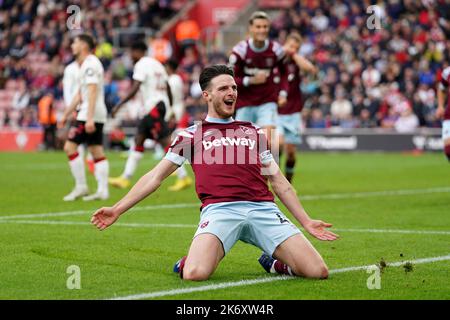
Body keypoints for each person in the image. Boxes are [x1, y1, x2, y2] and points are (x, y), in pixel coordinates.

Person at [91, 65, 338, 281]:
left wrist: (306, 221)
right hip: (220, 211)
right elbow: (155, 177)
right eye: (223, 89)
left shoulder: (254, 131)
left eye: (233, 87)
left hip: (264, 210)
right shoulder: (189, 135)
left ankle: (274, 263)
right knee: (194, 274)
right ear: (206, 95)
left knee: (318, 271)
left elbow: (278, 181)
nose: (231, 92)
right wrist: (117, 209)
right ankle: (191, 258)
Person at [108, 41, 192, 191]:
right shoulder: (158, 65)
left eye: (131, 53)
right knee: (138, 141)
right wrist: (170, 108)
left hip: (153, 108)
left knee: (166, 143)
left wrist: (119, 105)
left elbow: (135, 87)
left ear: (138, 51)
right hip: (158, 107)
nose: (131, 57)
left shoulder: (141, 64)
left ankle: (183, 177)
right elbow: (167, 89)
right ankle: (125, 177)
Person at [59, 33, 109, 201]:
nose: (73, 45)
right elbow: (80, 94)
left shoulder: (90, 64)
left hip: (90, 113)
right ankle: (103, 190)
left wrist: (88, 118)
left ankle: (81, 187)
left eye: (76, 43)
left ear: (84, 46)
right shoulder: (85, 65)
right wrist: (65, 114)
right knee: (96, 150)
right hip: (94, 112)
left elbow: (92, 90)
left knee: (69, 147)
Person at [228, 11, 289, 148]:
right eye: (258, 27)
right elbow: (230, 79)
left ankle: (268, 168)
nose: (262, 30)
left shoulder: (276, 50)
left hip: (267, 102)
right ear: (251, 28)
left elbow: (285, 73)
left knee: (269, 143)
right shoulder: (240, 51)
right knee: (242, 147)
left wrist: (283, 93)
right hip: (245, 103)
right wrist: (250, 81)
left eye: (265, 27)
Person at [277, 33, 317, 183]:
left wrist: (294, 54)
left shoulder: (297, 63)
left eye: (296, 47)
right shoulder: (276, 60)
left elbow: (311, 70)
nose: (292, 49)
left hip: (293, 112)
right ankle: (276, 180)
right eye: (290, 45)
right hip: (275, 111)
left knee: (291, 153)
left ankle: (288, 181)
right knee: (277, 145)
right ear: (285, 44)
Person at [63, 59, 95, 174]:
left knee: (89, 138)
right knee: (77, 140)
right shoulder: (70, 69)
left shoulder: (90, 64)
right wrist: (69, 108)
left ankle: (90, 160)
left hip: (88, 107)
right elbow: (68, 90)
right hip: (77, 108)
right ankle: (82, 162)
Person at [436, 65, 450, 162]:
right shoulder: (447, 72)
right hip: (449, 115)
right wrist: (440, 106)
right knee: (448, 150)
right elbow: (441, 88)